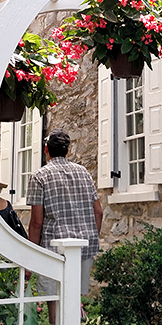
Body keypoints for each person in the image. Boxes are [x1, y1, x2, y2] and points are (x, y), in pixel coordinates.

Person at [27, 129, 102, 308]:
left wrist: (30, 257)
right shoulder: (83, 172)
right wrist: (91, 236)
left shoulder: (40, 176)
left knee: (54, 299)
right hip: (84, 245)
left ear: (46, 149)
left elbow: (37, 223)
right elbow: (98, 211)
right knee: (74, 297)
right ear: (67, 151)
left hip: (54, 248)